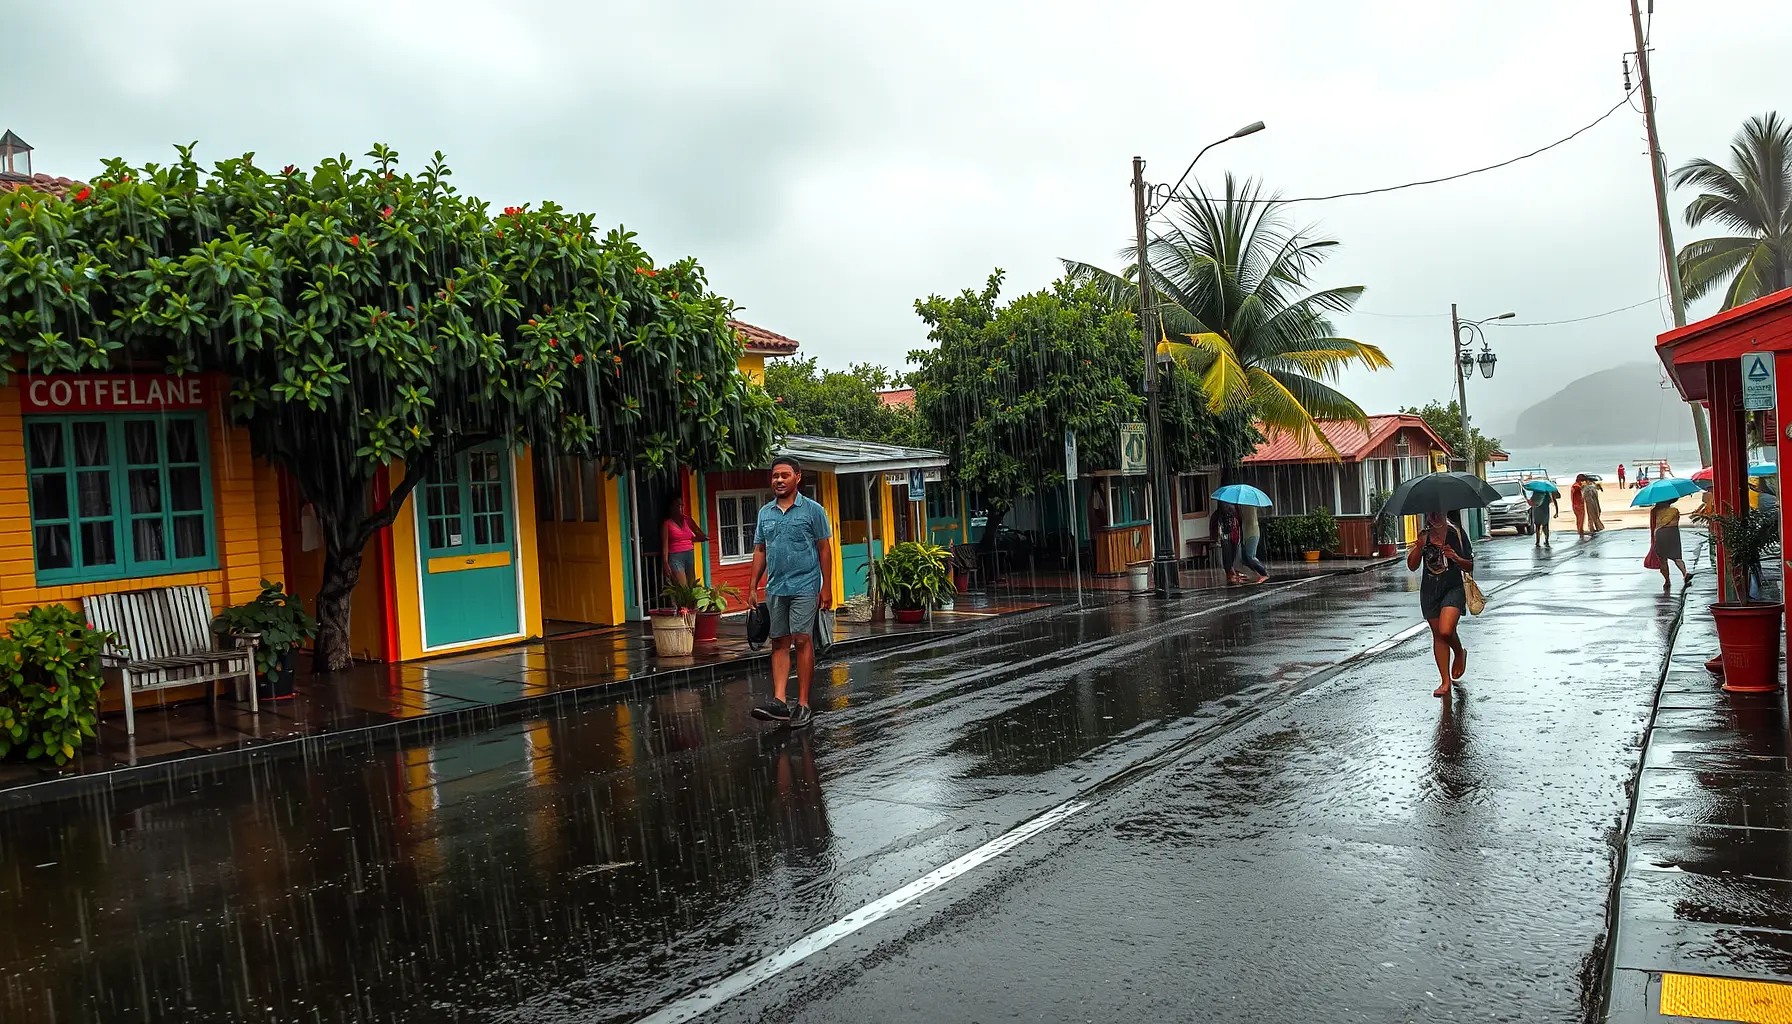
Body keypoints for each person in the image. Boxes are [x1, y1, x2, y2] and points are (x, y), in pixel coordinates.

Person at [748, 457, 834, 728]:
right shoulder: (765, 514)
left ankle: (804, 704)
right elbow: (760, 550)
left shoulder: (813, 511)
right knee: (779, 642)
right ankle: (779, 701)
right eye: (775, 476)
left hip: (805, 587)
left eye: (785, 475)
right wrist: (752, 586)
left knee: (802, 640)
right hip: (776, 588)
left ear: (797, 477)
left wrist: (827, 586)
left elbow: (824, 549)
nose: (779, 480)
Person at [1407, 510, 1474, 698]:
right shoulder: (1423, 536)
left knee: (1445, 630)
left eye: (1438, 512)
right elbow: (1412, 566)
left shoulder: (1456, 533)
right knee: (1438, 634)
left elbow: (1469, 565)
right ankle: (1445, 681)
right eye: (1430, 513)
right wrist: (1419, 546)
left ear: (1445, 512)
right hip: (1430, 591)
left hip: (1453, 587)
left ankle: (1459, 653)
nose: (1434, 516)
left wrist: (1455, 557)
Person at [660, 495, 708, 587]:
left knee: (691, 585)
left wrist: (690, 539)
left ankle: (691, 602)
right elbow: (665, 544)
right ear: (671, 507)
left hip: (689, 553)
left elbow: (701, 535)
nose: (680, 508)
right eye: (677, 505)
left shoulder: (687, 520)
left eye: (681, 505)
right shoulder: (667, 524)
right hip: (676, 556)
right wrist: (665, 562)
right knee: (682, 587)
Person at [1648, 499, 1690, 591]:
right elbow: (1675, 522)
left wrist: (1654, 535)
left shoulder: (1654, 511)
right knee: (1677, 557)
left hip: (1660, 534)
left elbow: (1654, 524)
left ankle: (1667, 580)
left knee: (1663, 559)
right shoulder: (1674, 510)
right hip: (1673, 533)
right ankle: (1685, 573)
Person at [1238, 504, 1270, 584]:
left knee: (1250, 556)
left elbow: (1246, 518)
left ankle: (1264, 574)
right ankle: (1257, 574)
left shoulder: (1249, 505)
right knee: (1245, 558)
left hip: (1252, 533)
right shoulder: (1244, 505)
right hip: (1247, 533)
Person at [1213, 501, 1243, 584]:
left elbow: (1239, 516)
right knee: (1227, 552)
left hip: (1234, 530)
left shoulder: (1235, 504)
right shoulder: (1223, 504)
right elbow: (1221, 517)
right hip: (1226, 530)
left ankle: (1231, 570)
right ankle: (1229, 571)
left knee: (1233, 550)